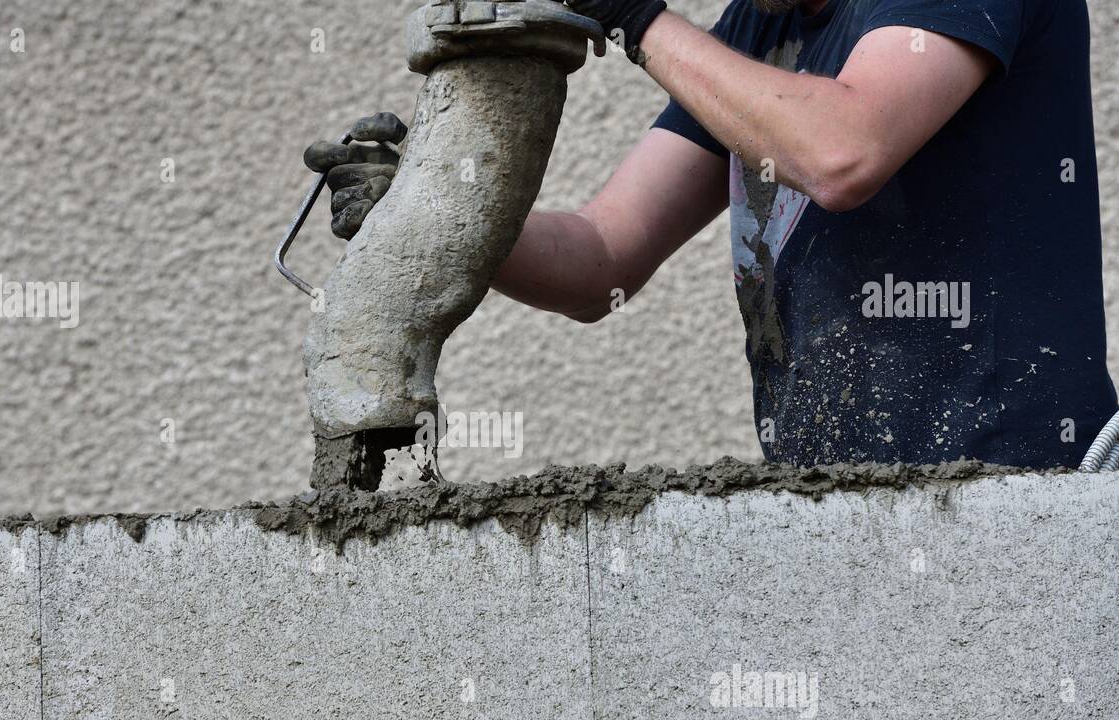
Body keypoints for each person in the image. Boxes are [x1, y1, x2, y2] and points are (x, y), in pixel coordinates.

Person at [304, 0, 1118, 467]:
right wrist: (431, 212)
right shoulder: (761, 27)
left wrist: (637, 19)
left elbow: (845, 152)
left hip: (1014, 486)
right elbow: (601, 256)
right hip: (838, 502)